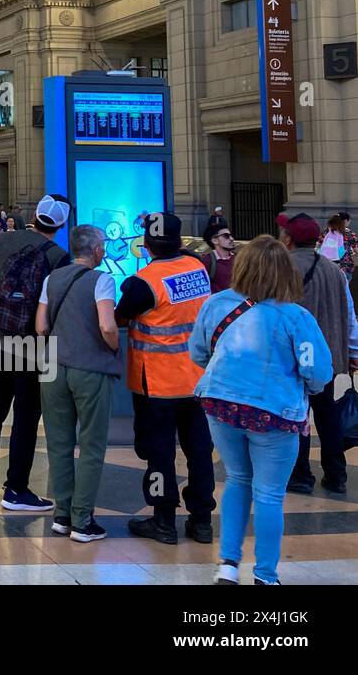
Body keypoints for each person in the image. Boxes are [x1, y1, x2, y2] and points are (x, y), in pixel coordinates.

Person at [191, 236, 333, 586]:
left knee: (237, 479)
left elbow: (197, 353)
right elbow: (318, 372)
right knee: (269, 493)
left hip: (220, 404)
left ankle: (227, 565)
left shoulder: (216, 303)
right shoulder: (295, 316)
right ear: (285, 272)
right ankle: (265, 575)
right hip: (275, 411)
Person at [114, 212, 215, 545]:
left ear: (148, 243)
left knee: (159, 454)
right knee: (199, 451)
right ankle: (201, 521)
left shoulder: (143, 281)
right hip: (196, 380)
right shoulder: (197, 269)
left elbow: (121, 316)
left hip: (156, 383)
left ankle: (163, 519)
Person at [0, 193, 71, 511]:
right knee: (26, 417)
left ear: (36, 214)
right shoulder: (58, 256)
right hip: (31, 344)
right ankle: (16, 489)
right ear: (61, 223)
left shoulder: (4, 240)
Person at [35, 225, 121, 543]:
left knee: (58, 443)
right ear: (96, 249)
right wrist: (113, 347)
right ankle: (82, 520)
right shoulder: (103, 280)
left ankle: (62, 514)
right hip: (90, 369)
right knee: (91, 444)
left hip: (53, 368)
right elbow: (107, 325)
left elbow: (41, 326)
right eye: (103, 246)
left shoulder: (52, 279)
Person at [276, 212, 355, 496]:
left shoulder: (282, 269)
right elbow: (349, 314)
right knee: (327, 414)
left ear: (289, 238)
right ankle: (336, 474)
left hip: (294, 358)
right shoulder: (334, 271)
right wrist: (352, 351)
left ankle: (300, 475)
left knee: (297, 416)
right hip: (329, 357)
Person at [202, 223, 237, 293]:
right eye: (226, 236)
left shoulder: (239, 258)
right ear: (214, 240)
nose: (231, 239)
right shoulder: (207, 261)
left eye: (231, 235)